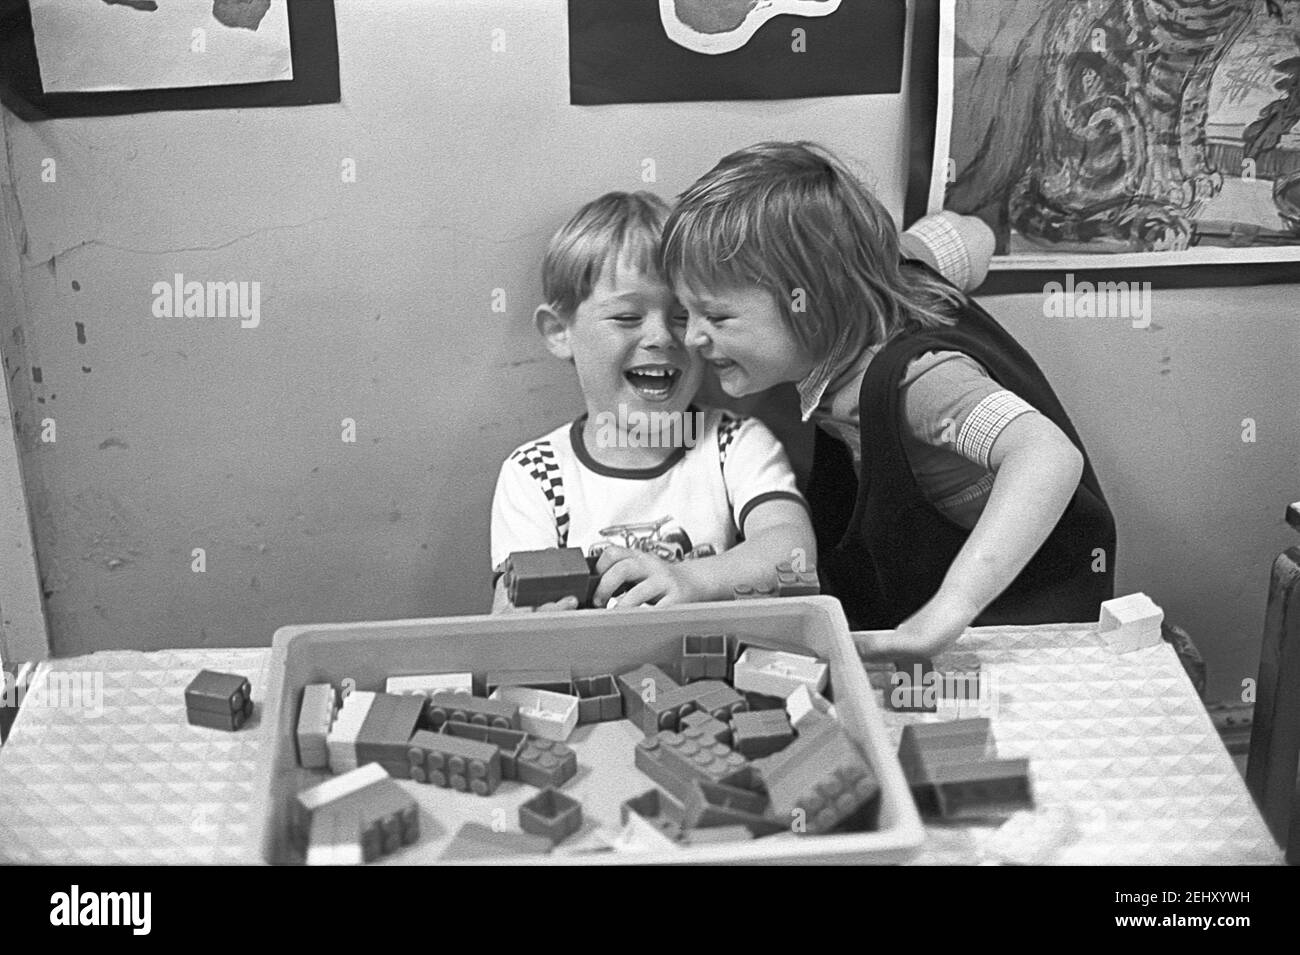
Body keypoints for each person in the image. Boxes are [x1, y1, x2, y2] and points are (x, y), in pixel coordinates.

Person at [660, 141, 1115, 655]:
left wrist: (948, 610)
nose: (692, 338)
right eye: (686, 313)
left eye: (717, 317)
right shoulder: (883, 270)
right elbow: (967, 238)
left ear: (812, 301)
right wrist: (971, 236)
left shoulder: (920, 385)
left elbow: (1049, 455)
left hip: (1020, 617)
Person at [489, 191, 815, 612]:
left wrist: (690, 579)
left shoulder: (730, 444)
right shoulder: (536, 474)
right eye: (627, 317)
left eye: (682, 316)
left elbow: (796, 558)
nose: (661, 337)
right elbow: (511, 612)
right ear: (558, 331)